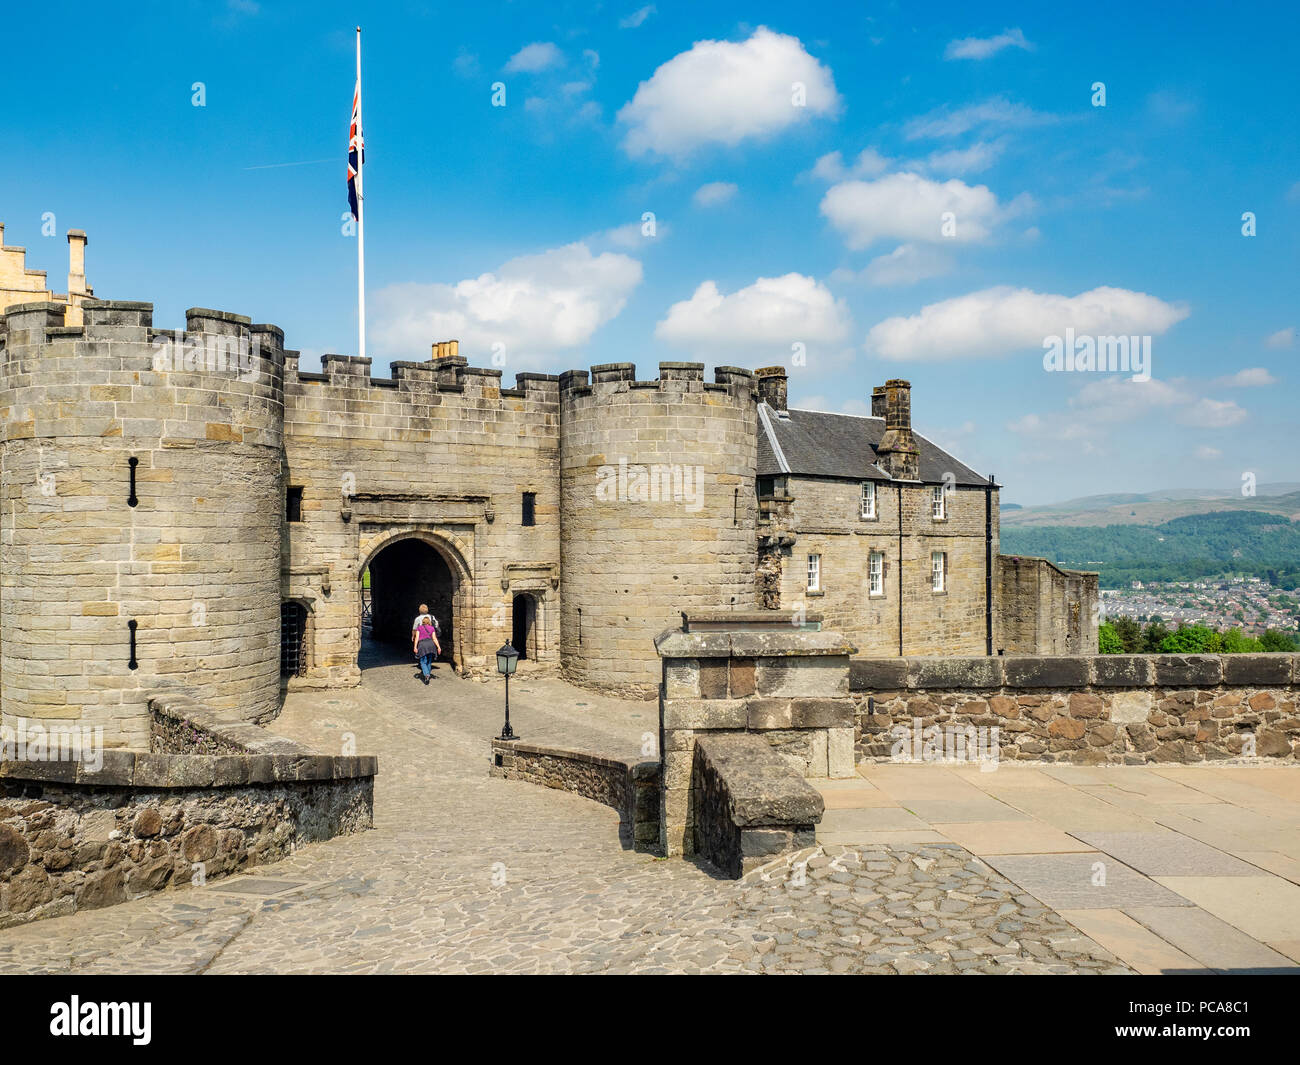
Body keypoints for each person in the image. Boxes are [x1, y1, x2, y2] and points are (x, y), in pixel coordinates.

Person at [412, 611, 441, 684]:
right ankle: (427, 673)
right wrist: (438, 647)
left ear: (423, 622)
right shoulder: (432, 628)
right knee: (429, 661)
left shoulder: (419, 628)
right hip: (431, 645)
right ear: (429, 622)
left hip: (422, 645)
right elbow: (434, 638)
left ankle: (427, 675)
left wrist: (415, 647)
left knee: (422, 661)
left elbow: (417, 638)